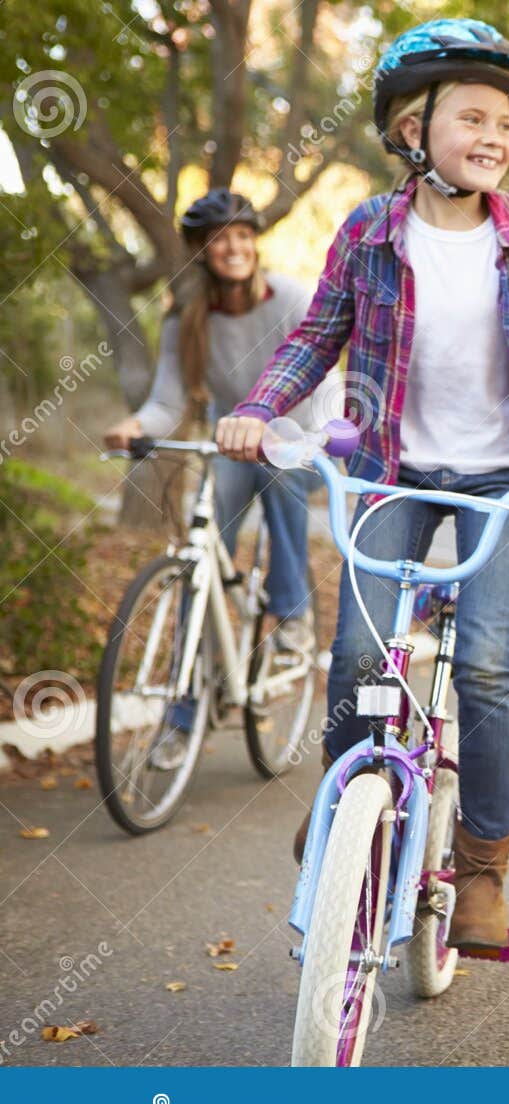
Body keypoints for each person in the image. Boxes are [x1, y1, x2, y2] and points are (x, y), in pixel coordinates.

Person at [214, 18, 509, 953]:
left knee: (483, 663)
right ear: (410, 129)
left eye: (507, 125)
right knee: (358, 654)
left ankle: (479, 866)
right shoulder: (367, 228)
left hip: (498, 477)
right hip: (389, 469)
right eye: (473, 117)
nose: (497, 138)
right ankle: (346, 799)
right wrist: (260, 411)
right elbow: (316, 337)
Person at [103, 189, 328, 767]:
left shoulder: (290, 299)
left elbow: (322, 373)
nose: (235, 247)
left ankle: (292, 617)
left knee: (279, 481)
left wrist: (314, 435)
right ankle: (183, 720)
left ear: (255, 243)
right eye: (220, 238)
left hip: (294, 441)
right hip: (230, 445)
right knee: (197, 567)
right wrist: (135, 424)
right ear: (202, 250)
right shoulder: (186, 320)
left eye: (243, 236)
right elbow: (165, 402)